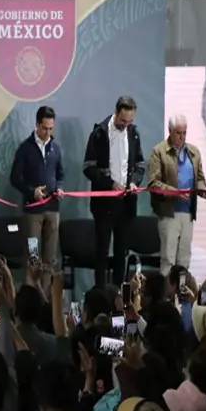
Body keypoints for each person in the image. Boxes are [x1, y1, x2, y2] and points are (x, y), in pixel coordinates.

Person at [82, 94, 144, 286]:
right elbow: (88, 167)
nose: (126, 125)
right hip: (104, 205)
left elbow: (140, 164)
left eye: (130, 121)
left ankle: (119, 295)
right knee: (102, 252)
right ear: (116, 113)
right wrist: (109, 183)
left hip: (126, 204)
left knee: (121, 252)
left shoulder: (133, 134)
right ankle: (100, 294)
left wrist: (134, 182)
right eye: (123, 121)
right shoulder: (99, 133)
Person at [147, 113, 206, 274]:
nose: (182, 137)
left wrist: (203, 189)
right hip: (169, 214)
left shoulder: (194, 152)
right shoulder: (158, 151)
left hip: (188, 213)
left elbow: (200, 178)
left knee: (184, 259)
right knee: (168, 259)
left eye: (184, 133)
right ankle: (166, 298)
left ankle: (182, 297)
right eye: (178, 133)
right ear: (170, 131)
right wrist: (175, 193)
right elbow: (154, 182)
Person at [10, 105, 66, 271]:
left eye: (51, 128)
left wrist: (60, 188)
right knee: (33, 257)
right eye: (44, 128)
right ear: (37, 124)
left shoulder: (55, 148)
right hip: (32, 214)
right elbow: (14, 178)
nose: (48, 133)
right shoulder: (25, 149)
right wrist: (31, 192)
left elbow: (61, 175)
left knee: (50, 259)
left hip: (52, 211)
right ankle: (32, 295)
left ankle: (47, 296)